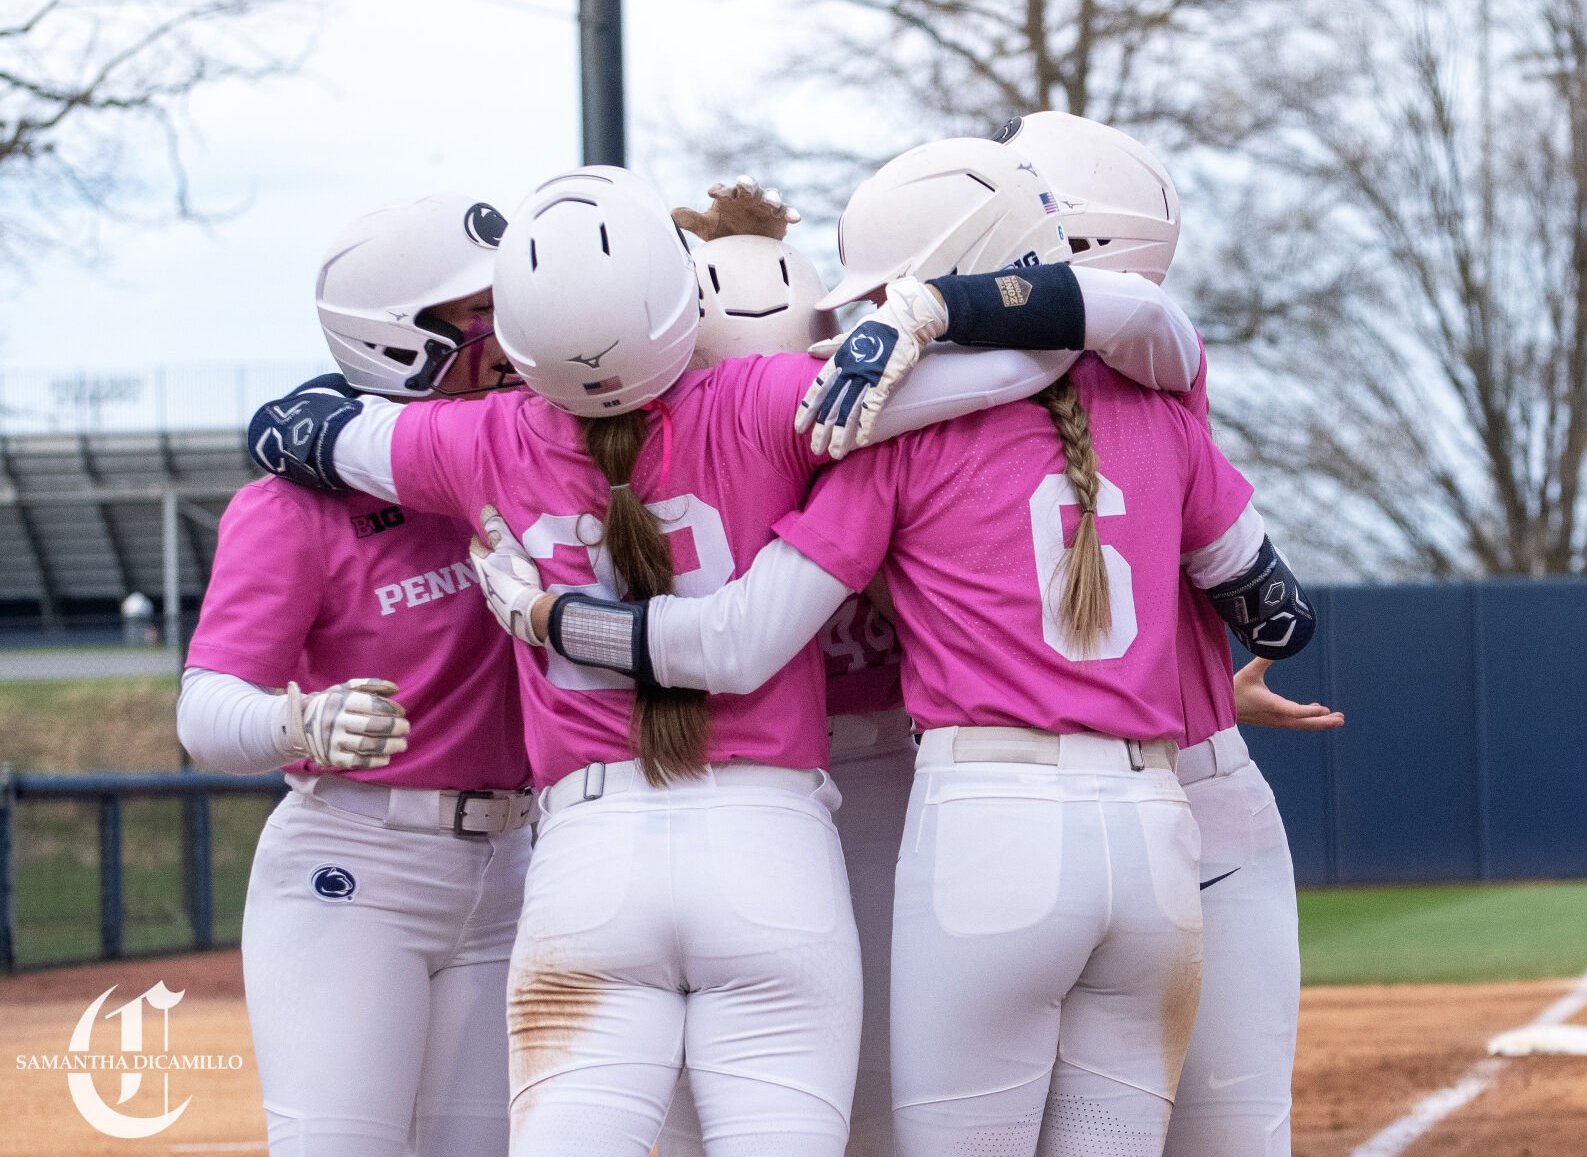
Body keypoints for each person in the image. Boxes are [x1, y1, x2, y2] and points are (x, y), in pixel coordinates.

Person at [243, 163, 1207, 1157]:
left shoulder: (468, 437)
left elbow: (316, 433)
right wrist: (930, 312)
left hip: (587, 853)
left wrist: (300, 421)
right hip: (769, 844)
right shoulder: (764, 400)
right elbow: (1037, 358)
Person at [472, 139, 1318, 1157]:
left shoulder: (898, 442)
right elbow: (1278, 612)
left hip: (979, 818)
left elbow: (737, 642)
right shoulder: (1160, 401)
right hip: (1155, 815)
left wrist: (551, 619)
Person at [1002, 109, 1343, 1157]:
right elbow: (1278, 609)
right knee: (1231, 1135)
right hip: (1186, 784)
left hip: (1029, 808)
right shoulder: (1166, 384)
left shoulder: (937, 407)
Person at [176, 192, 533, 1157]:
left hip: (521, 868)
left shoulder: (527, 450)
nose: (509, 336)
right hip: (359, 866)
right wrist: (304, 724)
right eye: (477, 315)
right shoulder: (291, 507)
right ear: (396, 337)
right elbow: (204, 712)